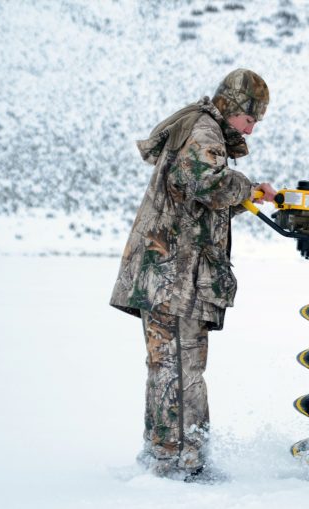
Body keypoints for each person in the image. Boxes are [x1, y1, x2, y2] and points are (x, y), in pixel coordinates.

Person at [110, 68, 277, 482]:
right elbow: (205, 182)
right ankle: (183, 464)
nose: (250, 130)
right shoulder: (204, 131)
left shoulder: (200, 129)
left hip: (165, 275)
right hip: (175, 278)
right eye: (249, 119)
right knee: (182, 370)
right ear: (233, 108)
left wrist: (247, 196)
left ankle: (161, 456)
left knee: (167, 367)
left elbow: (196, 201)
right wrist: (247, 186)